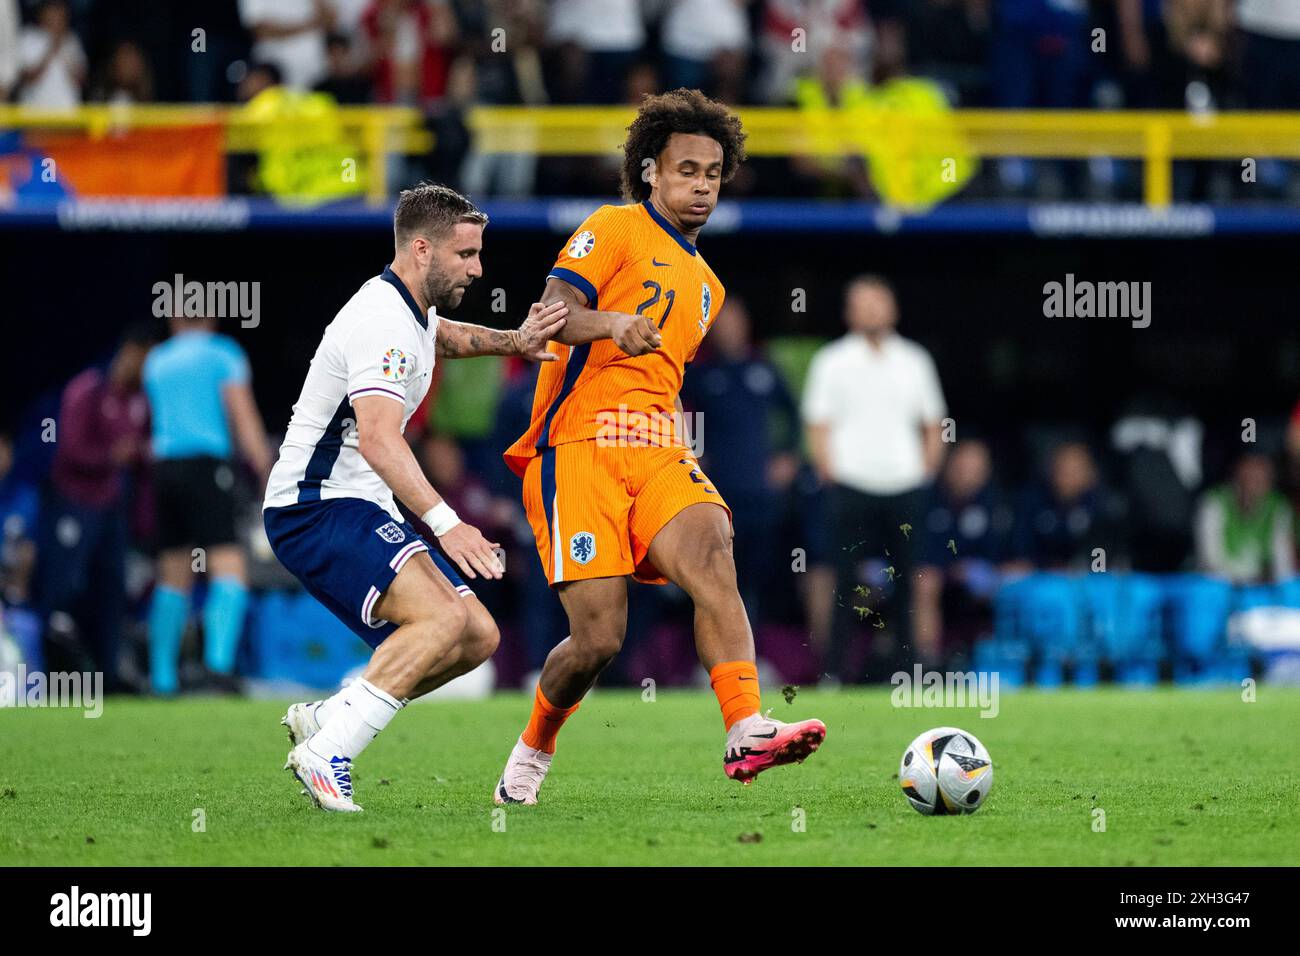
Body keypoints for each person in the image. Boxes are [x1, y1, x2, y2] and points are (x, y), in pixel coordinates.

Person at [495, 88, 827, 806]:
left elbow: (663, 374)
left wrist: (679, 441)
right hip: (575, 447)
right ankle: (534, 745)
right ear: (652, 172)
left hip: (653, 447)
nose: (701, 185)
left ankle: (745, 727)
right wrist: (612, 324)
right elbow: (547, 319)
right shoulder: (612, 227)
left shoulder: (708, 285)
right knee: (597, 639)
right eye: (686, 170)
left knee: (713, 546)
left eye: (712, 172)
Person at [263, 182, 567, 812]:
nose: (478, 268)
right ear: (422, 249)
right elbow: (377, 439)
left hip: (354, 502)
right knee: (443, 618)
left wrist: (514, 341)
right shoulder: (380, 322)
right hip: (314, 505)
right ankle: (329, 752)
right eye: (466, 255)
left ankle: (330, 718)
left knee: (477, 634)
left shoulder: (407, 309)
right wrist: (447, 523)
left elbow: (442, 334)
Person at [802, 275, 947, 682]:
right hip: (850, 485)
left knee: (909, 581)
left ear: (893, 309)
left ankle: (906, 670)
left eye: (878, 302)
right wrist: (829, 471)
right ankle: (834, 672)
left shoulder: (915, 360)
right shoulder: (831, 360)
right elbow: (817, 425)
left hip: (905, 486)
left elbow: (934, 424)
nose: (872, 310)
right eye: (863, 303)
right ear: (849, 311)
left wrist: (925, 472)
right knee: (842, 582)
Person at [142, 313, 272, 695]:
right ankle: (218, 669)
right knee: (229, 567)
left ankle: (162, 679)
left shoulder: (157, 360)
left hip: (164, 470)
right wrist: (264, 466)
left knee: (172, 575)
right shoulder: (223, 353)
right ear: (209, 317)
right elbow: (241, 414)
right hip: (207, 467)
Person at [34, 324, 154, 687]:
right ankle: (51, 678)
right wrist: (112, 456)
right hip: (73, 504)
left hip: (111, 511)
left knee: (111, 592)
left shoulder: (139, 400)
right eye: (144, 359)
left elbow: (142, 452)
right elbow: (69, 449)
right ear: (130, 352)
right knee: (64, 589)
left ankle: (108, 679)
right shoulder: (87, 389)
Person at [1194, 453, 1295, 584]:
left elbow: (1283, 561)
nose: (1252, 486)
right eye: (1247, 479)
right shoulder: (1214, 501)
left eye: (1259, 480)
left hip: (1260, 585)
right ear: (1235, 478)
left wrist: (1276, 581)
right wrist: (1240, 580)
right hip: (1221, 583)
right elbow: (1209, 559)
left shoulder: (1277, 507)